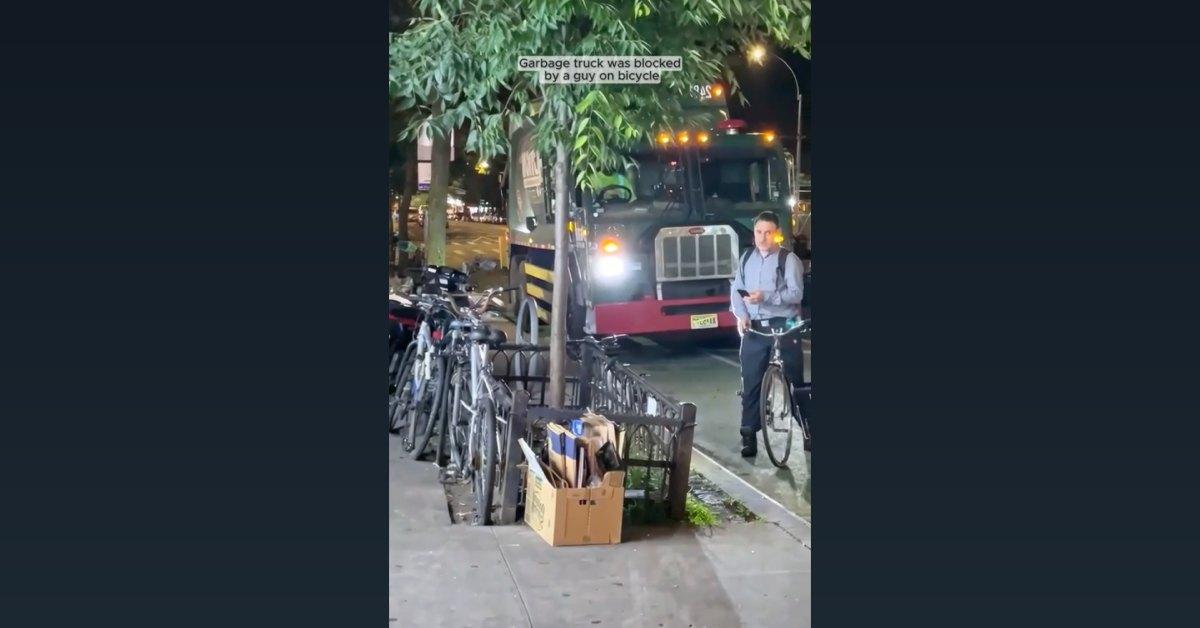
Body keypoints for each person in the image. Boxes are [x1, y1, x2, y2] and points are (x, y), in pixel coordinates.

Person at [730, 211, 805, 457]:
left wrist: (767, 297)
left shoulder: (788, 259)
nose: (762, 238)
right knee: (750, 382)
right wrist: (741, 315)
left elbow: (796, 294)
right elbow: (736, 290)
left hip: (785, 324)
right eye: (759, 232)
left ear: (777, 234)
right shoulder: (746, 258)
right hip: (755, 326)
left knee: (794, 380)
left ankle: (807, 429)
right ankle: (748, 435)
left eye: (768, 232)